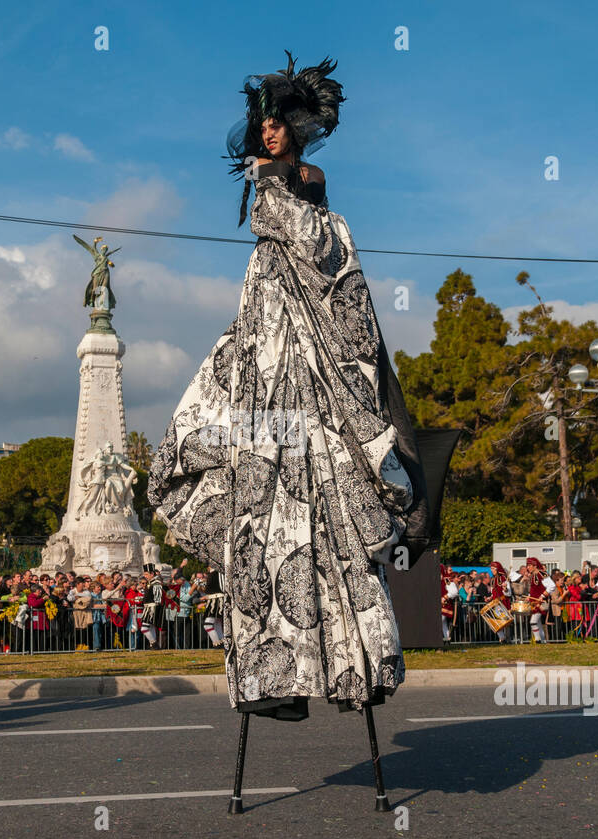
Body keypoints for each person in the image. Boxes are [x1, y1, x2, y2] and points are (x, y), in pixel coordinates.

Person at [147, 56, 429, 720]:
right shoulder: (266, 190)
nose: (267, 134)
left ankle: (344, 661)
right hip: (261, 358)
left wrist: (281, 186)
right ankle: (274, 672)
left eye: (277, 124)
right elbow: (271, 236)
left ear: (298, 128)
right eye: (262, 126)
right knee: (238, 496)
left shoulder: (305, 187)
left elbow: (326, 257)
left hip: (307, 368)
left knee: (324, 508)